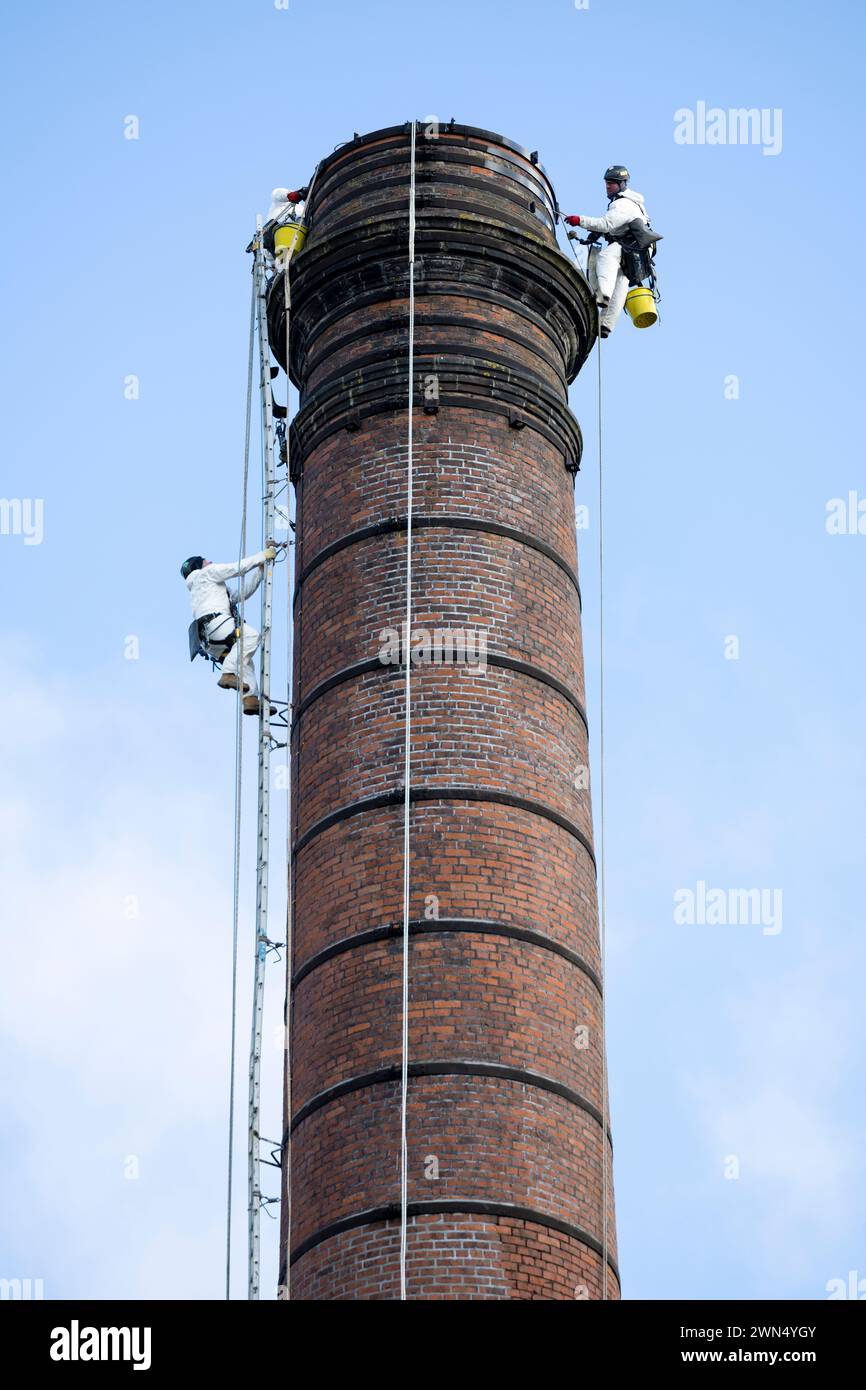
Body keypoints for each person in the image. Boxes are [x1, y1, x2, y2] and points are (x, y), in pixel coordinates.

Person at [181, 548, 276, 715]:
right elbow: (237, 568)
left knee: (245, 661)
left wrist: (260, 571)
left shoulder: (206, 589)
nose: (210, 562)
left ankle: (250, 699)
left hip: (210, 640)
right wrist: (263, 556)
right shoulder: (207, 573)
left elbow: (242, 594)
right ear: (200, 566)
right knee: (251, 637)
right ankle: (228, 673)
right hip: (218, 624)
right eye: (206, 561)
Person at [564, 165, 654, 338]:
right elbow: (612, 227)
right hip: (636, 249)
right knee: (621, 281)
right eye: (606, 183)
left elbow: (607, 224)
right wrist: (593, 236)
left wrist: (579, 220)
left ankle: (603, 295)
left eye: (611, 183)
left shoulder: (623, 203)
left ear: (622, 184)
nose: (607, 187)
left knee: (605, 257)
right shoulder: (626, 203)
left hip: (631, 244)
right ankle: (605, 325)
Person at [263, 186, 307, 256]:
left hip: (296, 233)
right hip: (280, 231)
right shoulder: (280, 200)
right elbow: (277, 194)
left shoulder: (301, 209)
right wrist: (290, 196)